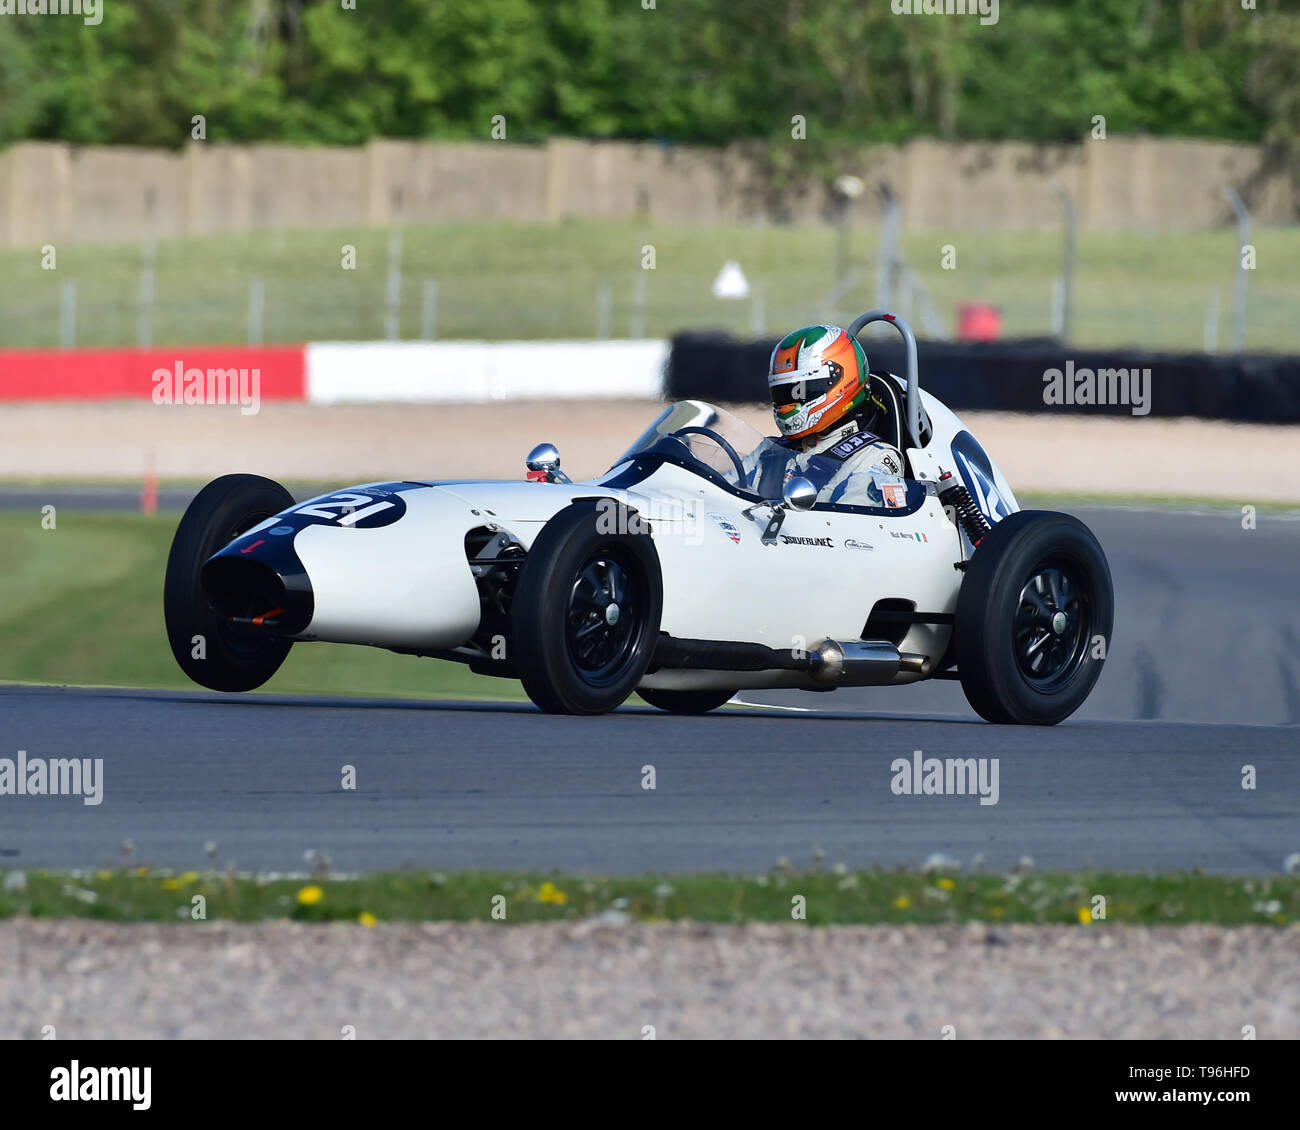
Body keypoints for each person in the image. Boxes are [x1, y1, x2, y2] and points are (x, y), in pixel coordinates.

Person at [742, 324, 906, 506]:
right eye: (783, 392)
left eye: (799, 391)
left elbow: (857, 530)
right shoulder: (768, 451)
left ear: (840, 381)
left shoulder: (875, 459)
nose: (790, 401)